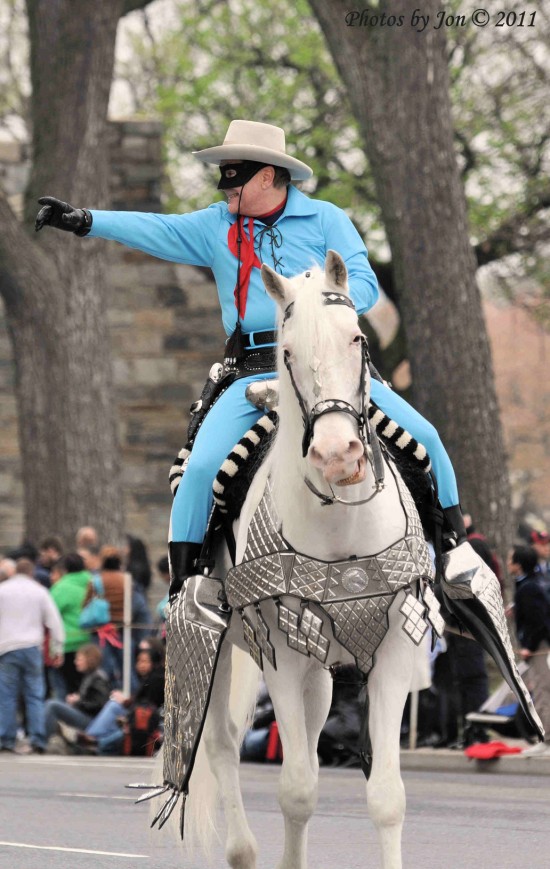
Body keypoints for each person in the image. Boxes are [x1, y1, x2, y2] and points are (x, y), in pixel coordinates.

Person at [35, 119, 466, 593]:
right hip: (253, 369)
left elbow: (361, 284)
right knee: (199, 468)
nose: (224, 187)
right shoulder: (215, 226)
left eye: (232, 175)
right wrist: (84, 221)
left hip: (333, 366)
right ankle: (188, 592)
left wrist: (314, 306)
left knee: (426, 436)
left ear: (266, 176)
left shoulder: (326, 219)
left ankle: (455, 562)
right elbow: (154, 226)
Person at [0, 558, 64, 754]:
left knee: (7, 696)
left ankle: (6, 738)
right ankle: (37, 738)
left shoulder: (3, 590)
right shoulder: (40, 591)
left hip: (7, 647)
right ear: (32, 573)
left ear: (14, 572)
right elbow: (54, 621)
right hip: (31, 648)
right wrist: (57, 648)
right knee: (35, 695)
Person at [63, 646, 165, 755]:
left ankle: (90, 738)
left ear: (154, 662)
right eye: (139, 661)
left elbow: (147, 706)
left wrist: (125, 701)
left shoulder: (156, 679)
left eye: (145, 661)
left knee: (114, 706)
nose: (141, 665)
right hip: (136, 716)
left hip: (147, 720)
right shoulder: (147, 678)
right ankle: (93, 741)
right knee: (116, 711)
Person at [508, 545, 550, 755]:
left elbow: (539, 622)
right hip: (539, 645)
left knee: (543, 691)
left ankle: (548, 740)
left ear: (518, 564)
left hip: (540, 647)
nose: (508, 563)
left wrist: (529, 648)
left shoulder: (529, 588)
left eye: (510, 559)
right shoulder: (529, 584)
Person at [44, 643, 110, 745]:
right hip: (86, 716)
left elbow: (99, 705)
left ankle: (42, 741)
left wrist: (78, 702)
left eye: (79, 659)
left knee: (52, 705)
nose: (76, 662)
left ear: (89, 659)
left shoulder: (98, 678)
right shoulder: (90, 676)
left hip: (91, 720)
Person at [49, 552, 92, 694]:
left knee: (64, 687)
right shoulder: (93, 582)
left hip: (67, 642)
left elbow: (50, 614)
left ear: (64, 569)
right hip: (89, 641)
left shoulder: (61, 587)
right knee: (84, 685)